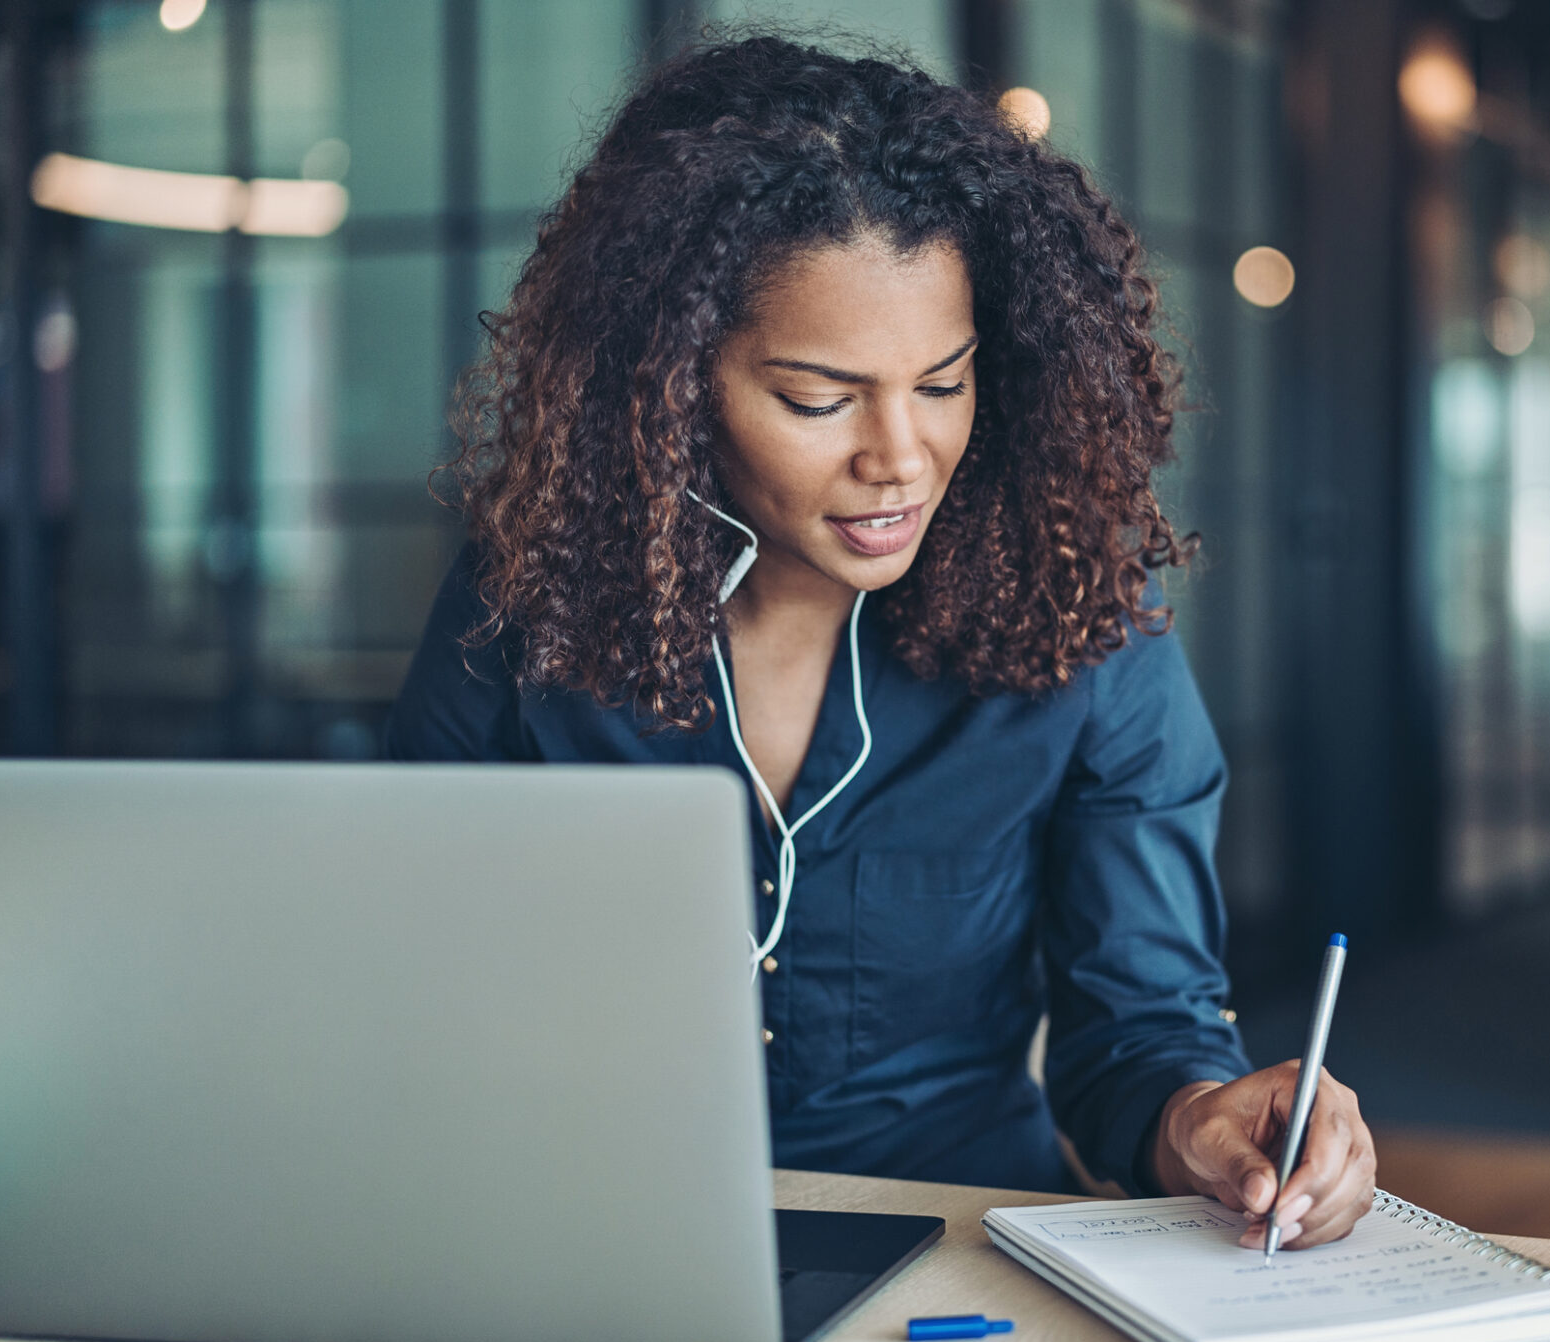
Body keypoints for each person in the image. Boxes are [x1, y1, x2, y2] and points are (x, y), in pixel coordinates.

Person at [385, 33, 1374, 1252]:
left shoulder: (1083, 631)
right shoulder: (521, 605)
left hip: (950, 1246)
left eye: (943, 383)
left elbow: (1139, 1034)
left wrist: (1203, 1117)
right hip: (587, 1241)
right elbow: (412, 977)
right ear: (671, 382)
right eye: (818, 399)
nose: (899, 458)